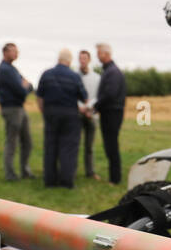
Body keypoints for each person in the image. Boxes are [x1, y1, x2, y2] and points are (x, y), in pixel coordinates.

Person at [34, 48, 89, 189]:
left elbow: (39, 96)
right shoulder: (74, 76)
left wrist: (44, 112)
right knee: (69, 148)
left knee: (50, 146)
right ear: (69, 61)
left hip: (51, 114)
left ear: (58, 59)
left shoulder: (46, 74)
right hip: (70, 115)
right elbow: (84, 97)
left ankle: (50, 181)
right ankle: (66, 181)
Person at [0, 42, 34, 181]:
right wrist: (25, 87)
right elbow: (21, 90)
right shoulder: (5, 69)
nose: (16, 54)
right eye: (13, 51)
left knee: (27, 142)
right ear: (5, 52)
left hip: (19, 108)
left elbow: (29, 85)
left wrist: (26, 86)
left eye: (17, 51)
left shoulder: (13, 69)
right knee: (12, 142)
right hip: (11, 109)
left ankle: (25, 171)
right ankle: (10, 174)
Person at [92, 42, 126, 185]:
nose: (97, 56)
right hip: (110, 113)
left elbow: (109, 95)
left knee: (111, 146)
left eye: (99, 53)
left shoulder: (112, 72)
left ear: (105, 54)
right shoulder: (109, 70)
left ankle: (115, 179)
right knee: (110, 145)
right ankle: (114, 177)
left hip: (111, 114)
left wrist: (95, 106)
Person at [76, 49, 101, 179]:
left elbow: (97, 96)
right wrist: (81, 107)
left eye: (84, 58)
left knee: (89, 146)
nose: (82, 61)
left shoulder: (96, 77)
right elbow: (73, 94)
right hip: (78, 114)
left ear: (89, 60)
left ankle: (90, 172)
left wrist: (88, 108)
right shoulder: (74, 75)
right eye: (80, 58)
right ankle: (73, 171)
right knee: (75, 143)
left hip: (91, 114)